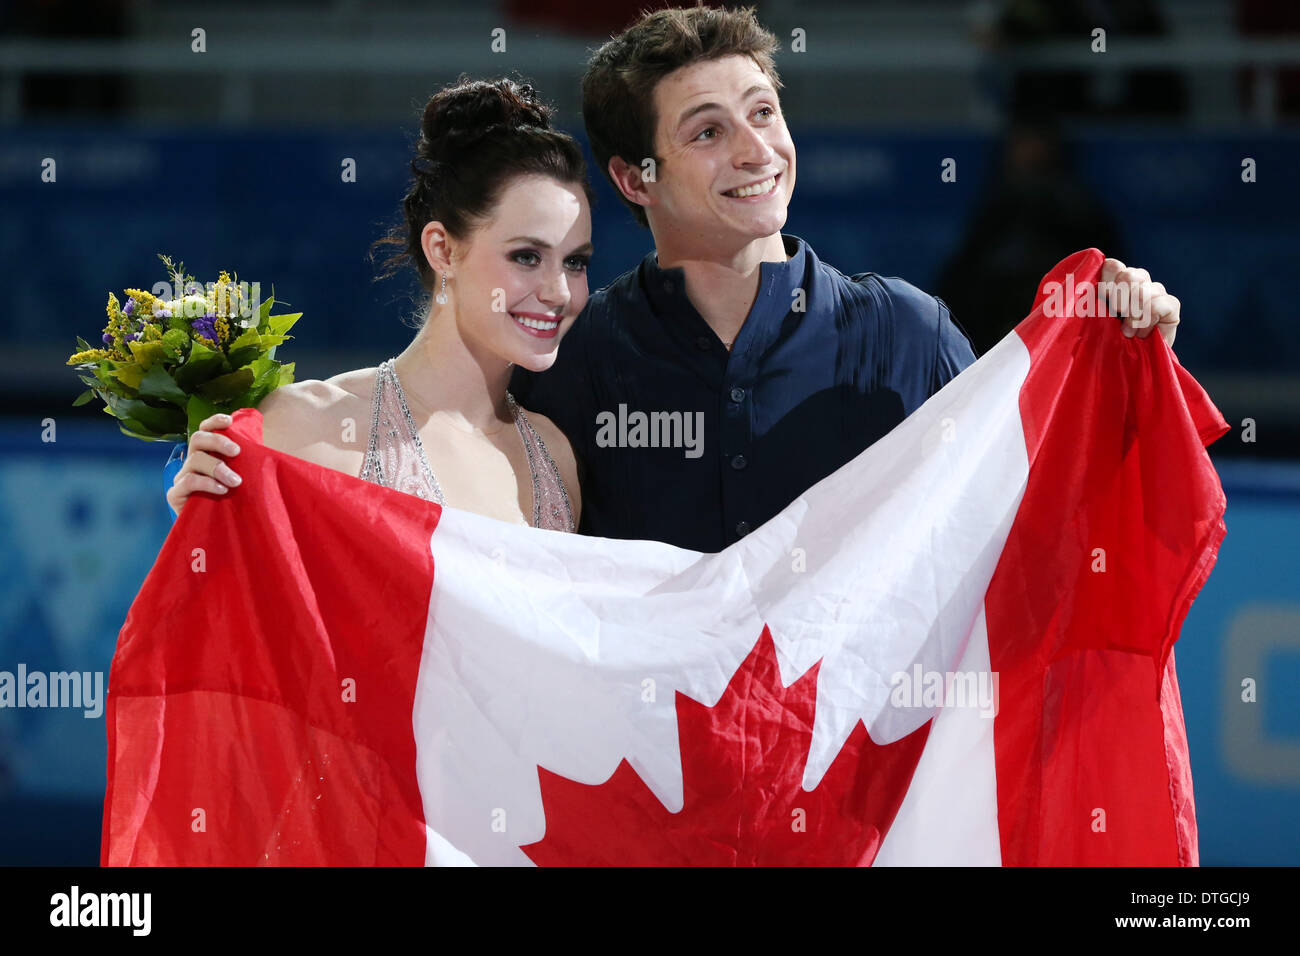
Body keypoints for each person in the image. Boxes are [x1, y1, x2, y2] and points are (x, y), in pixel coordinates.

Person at [505, 4, 1181, 552]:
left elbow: (1038, 521)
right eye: (707, 133)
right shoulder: (571, 361)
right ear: (634, 178)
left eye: (763, 111)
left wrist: (1131, 370)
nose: (756, 150)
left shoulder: (907, 335)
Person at [166, 76, 593, 531]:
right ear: (443, 250)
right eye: (527, 256)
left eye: (575, 262)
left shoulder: (556, 456)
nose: (560, 292)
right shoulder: (304, 425)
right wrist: (202, 525)